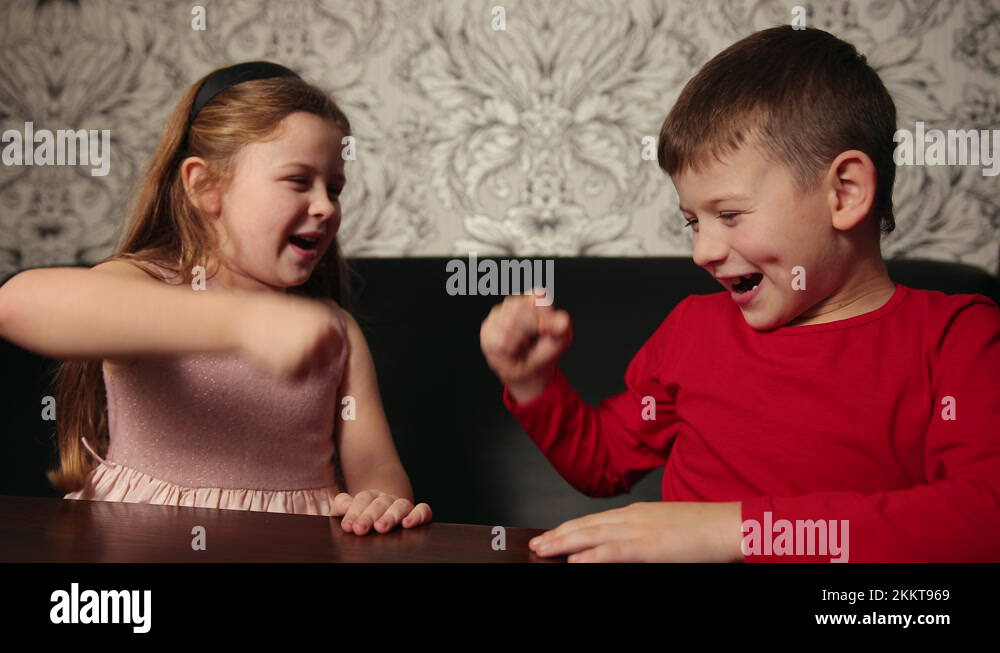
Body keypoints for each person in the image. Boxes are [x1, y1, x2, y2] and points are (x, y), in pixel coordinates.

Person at [480, 26, 1000, 562]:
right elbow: (603, 463)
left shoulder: (955, 337)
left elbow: (983, 517)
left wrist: (735, 531)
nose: (703, 251)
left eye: (728, 214)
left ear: (844, 192)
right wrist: (534, 384)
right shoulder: (693, 328)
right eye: (692, 222)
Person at [0, 61, 431, 535]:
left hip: (294, 545)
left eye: (334, 188)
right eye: (297, 181)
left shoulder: (336, 329)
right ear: (206, 187)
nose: (326, 206)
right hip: (140, 540)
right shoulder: (146, 287)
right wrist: (241, 323)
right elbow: (18, 304)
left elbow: (376, 466)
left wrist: (381, 498)